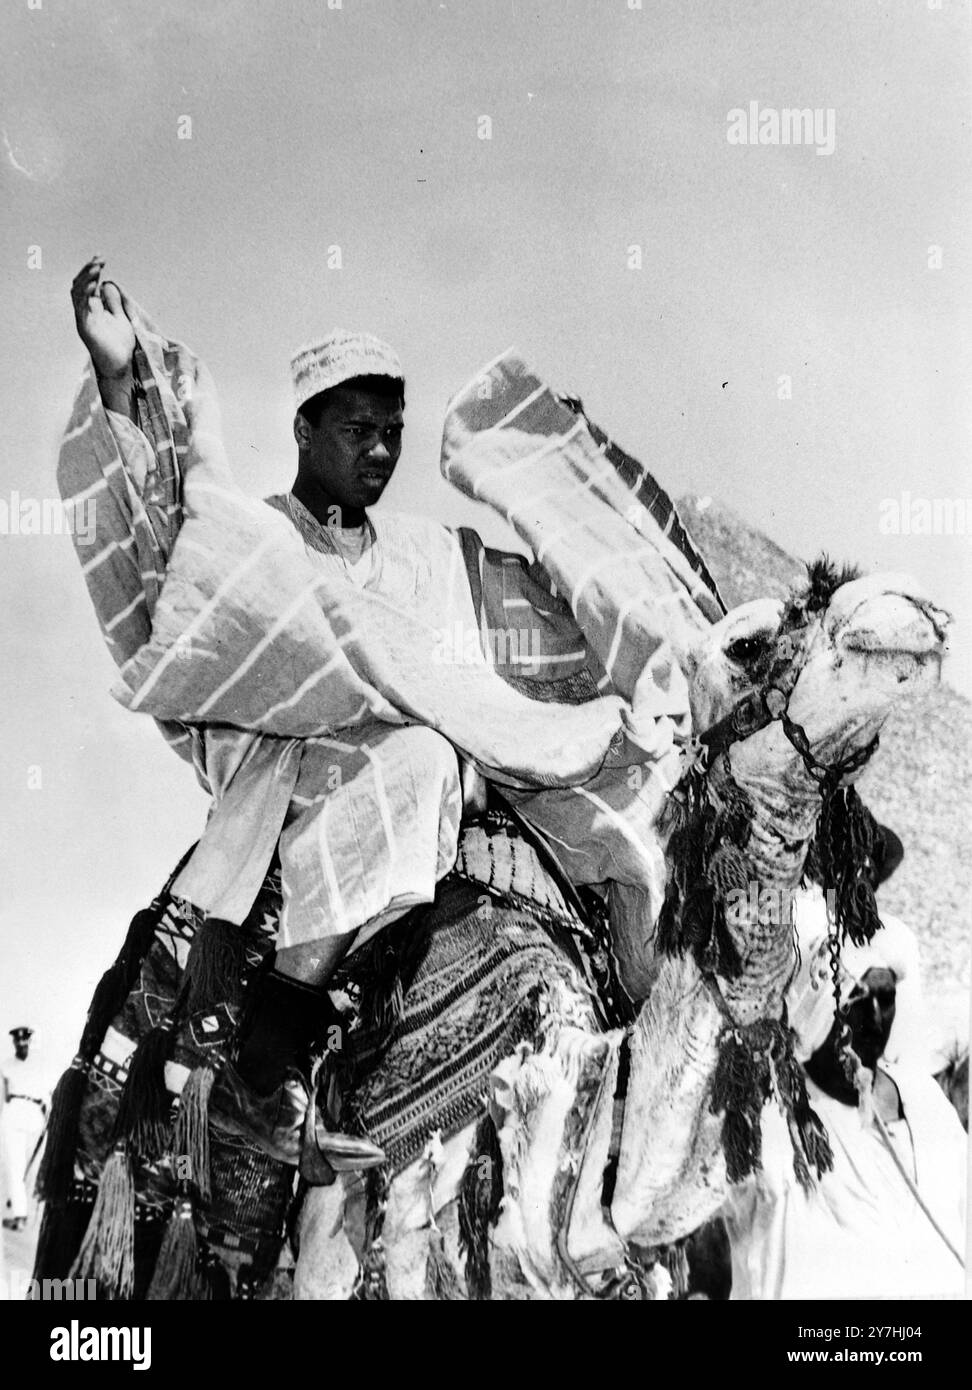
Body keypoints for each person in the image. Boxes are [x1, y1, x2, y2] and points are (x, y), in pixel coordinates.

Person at [62, 257, 698, 1181]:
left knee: (472, 789)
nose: (380, 452)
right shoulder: (256, 537)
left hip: (426, 803)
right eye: (357, 429)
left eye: (393, 433)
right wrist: (120, 379)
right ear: (303, 428)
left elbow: (548, 621)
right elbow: (165, 555)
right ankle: (265, 1066)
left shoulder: (436, 557)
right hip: (291, 786)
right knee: (419, 759)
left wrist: (567, 486)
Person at [722, 912, 967, 1299]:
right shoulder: (769, 1113)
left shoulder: (925, 1101)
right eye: (855, 998)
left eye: (885, 1000)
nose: (873, 1019)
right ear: (815, 1004)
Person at [1, 1028, 48, 1231]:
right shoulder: (6, 1066)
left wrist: (48, 1116)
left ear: (29, 1042)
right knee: (15, 1166)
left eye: (25, 1041)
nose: (21, 1045)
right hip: (14, 1113)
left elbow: (49, 1094)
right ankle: (20, 1215)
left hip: (34, 1115)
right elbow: (4, 1095)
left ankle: (21, 1205)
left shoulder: (39, 1066)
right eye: (18, 1042)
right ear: (14, 1043)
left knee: (32, 1167)